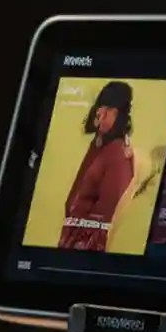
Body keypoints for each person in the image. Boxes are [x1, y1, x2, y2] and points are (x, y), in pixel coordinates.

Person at [59, 81, 136, 251]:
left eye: (109, 109)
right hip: (70, 239)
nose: (100, 114)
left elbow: (105, 217)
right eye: (100, 107)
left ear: (119, 115)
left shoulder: (118, 155)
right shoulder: (97, 145)